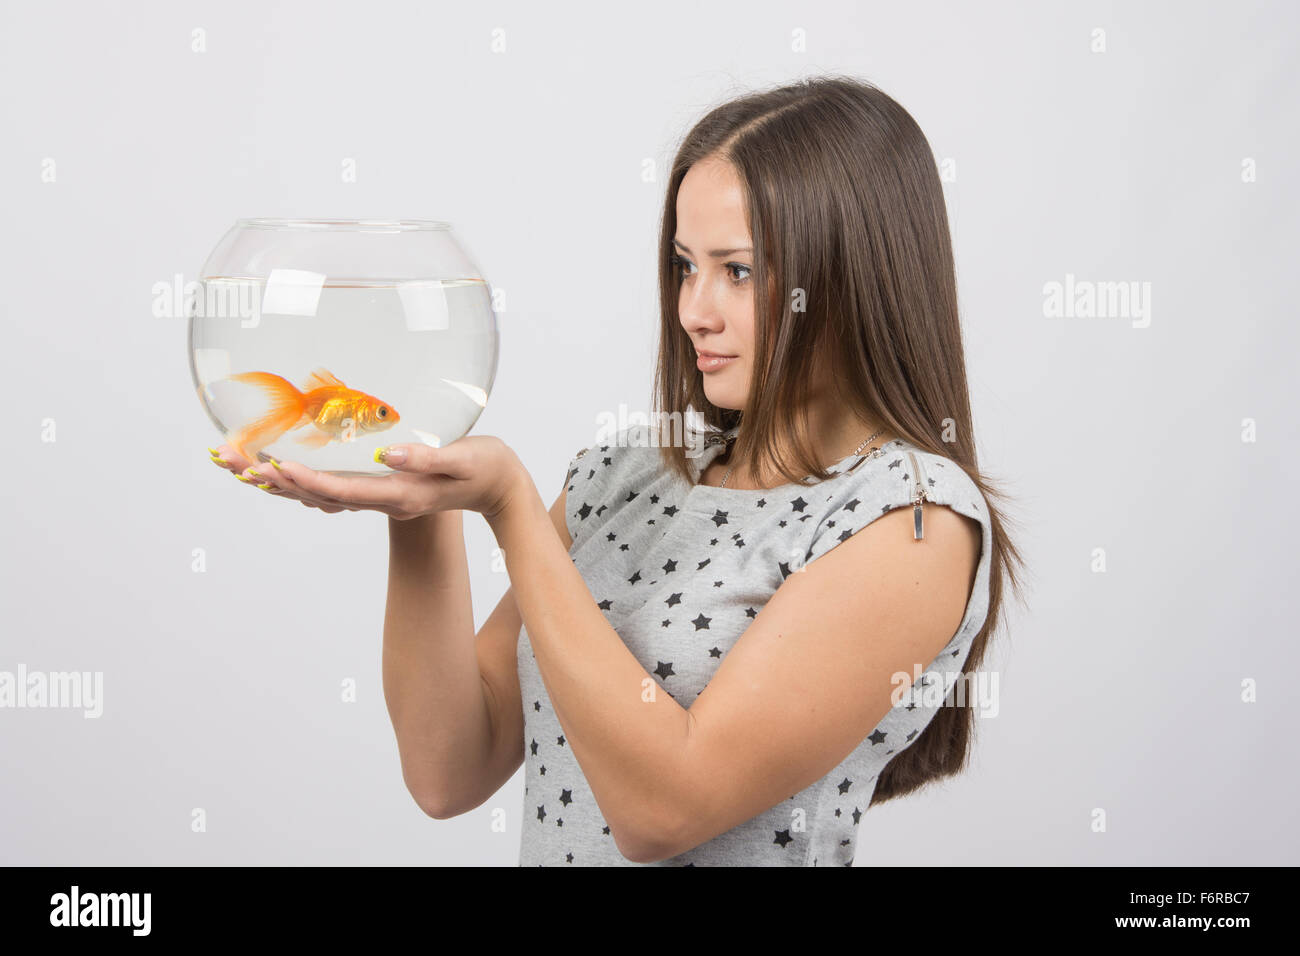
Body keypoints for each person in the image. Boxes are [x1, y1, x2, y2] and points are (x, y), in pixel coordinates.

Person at [207, 75, 1025, 866]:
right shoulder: (625, 477)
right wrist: (416, 506)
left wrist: (512, 510)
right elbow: (449, 767)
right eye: (683, 265)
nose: (692, 310)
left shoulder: (909, 520)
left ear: (852, 278)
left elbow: (662, 813)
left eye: (737, 271)